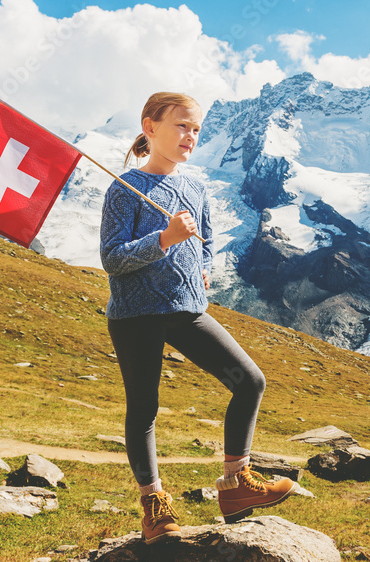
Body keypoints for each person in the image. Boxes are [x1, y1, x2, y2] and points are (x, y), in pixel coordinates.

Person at [99, 92, 295, 544]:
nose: (190, 137)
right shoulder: (124, 188)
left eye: (196, 130)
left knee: (249, 381)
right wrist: (164, 239)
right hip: (136, 316)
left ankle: (236, 486)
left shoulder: (196, 187)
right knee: (145, 408)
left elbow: (205, 240)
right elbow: (112, 259)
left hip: (187, 311)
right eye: (181, 126)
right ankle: (154, 505)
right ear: (150, 128)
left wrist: (203, 267)